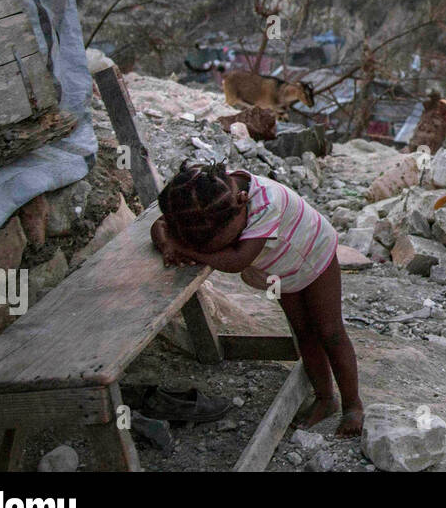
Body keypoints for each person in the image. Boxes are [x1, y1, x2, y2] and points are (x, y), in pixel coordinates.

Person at [150, 161, 363, 435]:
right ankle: (325, 398)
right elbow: (159, 226)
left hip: (314, 254)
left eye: (218, 240)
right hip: (280, 270)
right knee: (304, 334)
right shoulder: (203, 204)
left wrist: (188, 251)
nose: (207, 246)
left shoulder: (266, 204)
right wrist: (168, 244)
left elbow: (238, 259)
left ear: (242, 204)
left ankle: (353, 406)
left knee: (330, 331)